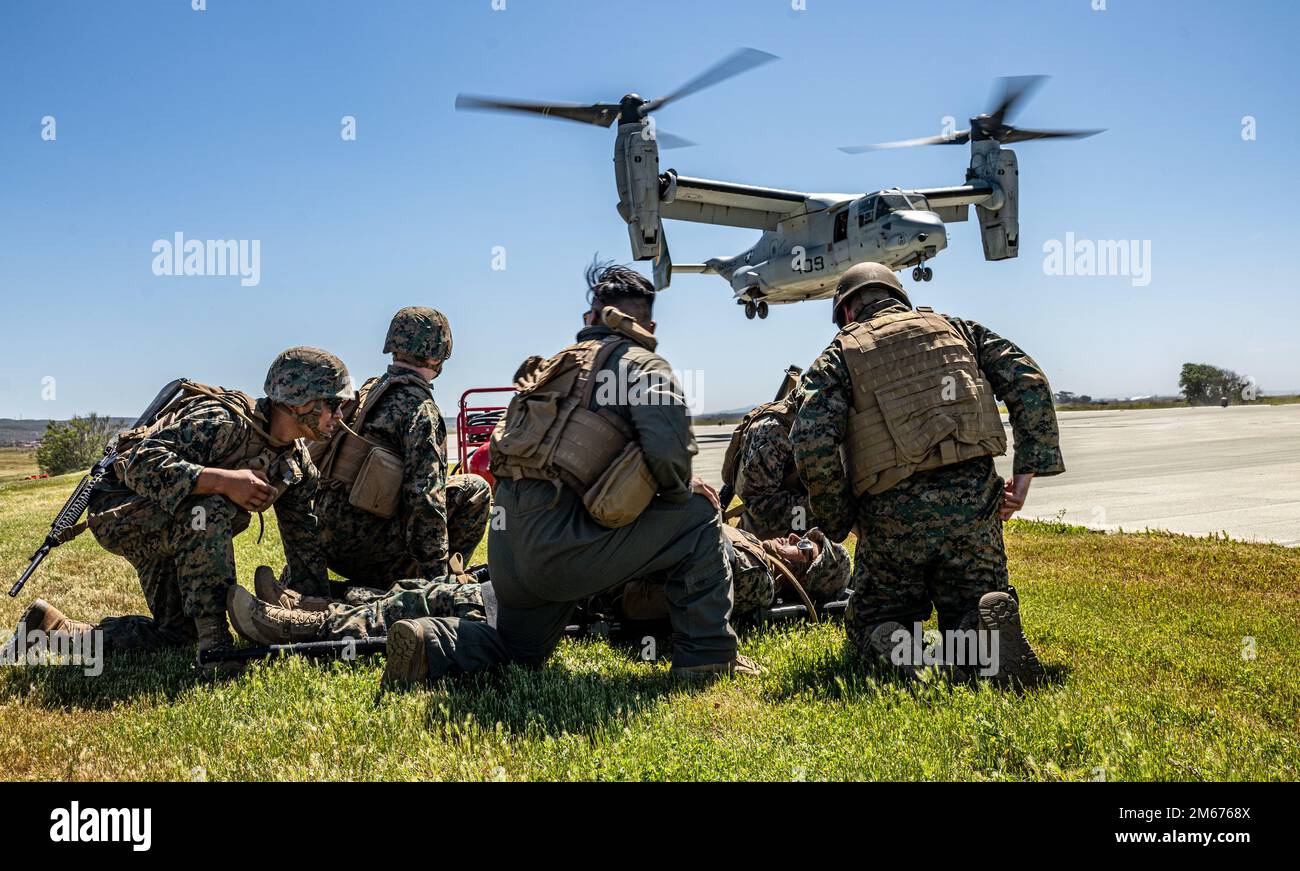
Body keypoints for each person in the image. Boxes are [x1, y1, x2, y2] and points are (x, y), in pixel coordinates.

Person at [379, 261, 761, 687]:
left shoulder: (553, 367)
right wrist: (671, 500)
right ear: (648, 322)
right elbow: (670, 456)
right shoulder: (641, 364)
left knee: (519, 653)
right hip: (565, 552)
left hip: (511, 557)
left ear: (589, 319)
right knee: (698, 513)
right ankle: (708, 657)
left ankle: (431, 643)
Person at [792, 262, 1064, 687]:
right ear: (900, 297)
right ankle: (981, 633)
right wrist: (1024, 478)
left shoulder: (840, 354)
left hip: (892, 515)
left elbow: (810, 437)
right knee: (971, 602)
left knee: (875, 620)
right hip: (974, 508)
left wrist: (842, 519)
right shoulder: (958, 330)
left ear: (846, 312)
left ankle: (922, 658)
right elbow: (1029, 381)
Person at [15, 347, 351, 672]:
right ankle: (216, 644)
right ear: (300, 400)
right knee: (209, 507)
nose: (339, 416)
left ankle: (53, 631)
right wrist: (222, 480)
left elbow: (303, 540)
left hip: (177, 531)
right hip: (123, 513)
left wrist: (317, 620)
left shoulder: (295, 462)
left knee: (175, 636)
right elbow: (136, 462)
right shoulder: (224, 422)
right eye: (333, 404)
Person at [309, 306, 490, 592]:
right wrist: (434, 582)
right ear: (437, 355)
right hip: (370, 551)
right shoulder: (419, 409)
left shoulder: (367, 392)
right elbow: (426, 500)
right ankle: (427, 588)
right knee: (476, 489)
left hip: (327, 544)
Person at [718, 368, 809, 539]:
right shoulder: (773, 432)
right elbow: (760, 505)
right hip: (766, 543)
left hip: (797, 529)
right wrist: (818, 507)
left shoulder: (813, 424)